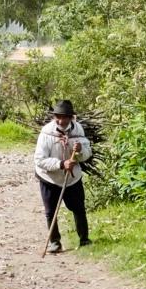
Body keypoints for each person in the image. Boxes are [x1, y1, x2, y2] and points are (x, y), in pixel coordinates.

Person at [35, 99, 92, 253]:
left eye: (64, 117)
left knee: (78, 208)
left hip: (72, 179)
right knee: (50, 211)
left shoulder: (78, 131)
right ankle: (55, 242)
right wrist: (61, 164)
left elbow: (87, 155)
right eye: (58, 116)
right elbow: (39, 160)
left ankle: (85, 240)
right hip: (49, 178)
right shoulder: (46, 133)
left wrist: (80, 151)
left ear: (71, 118)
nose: (61, 120)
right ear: (54, 117)